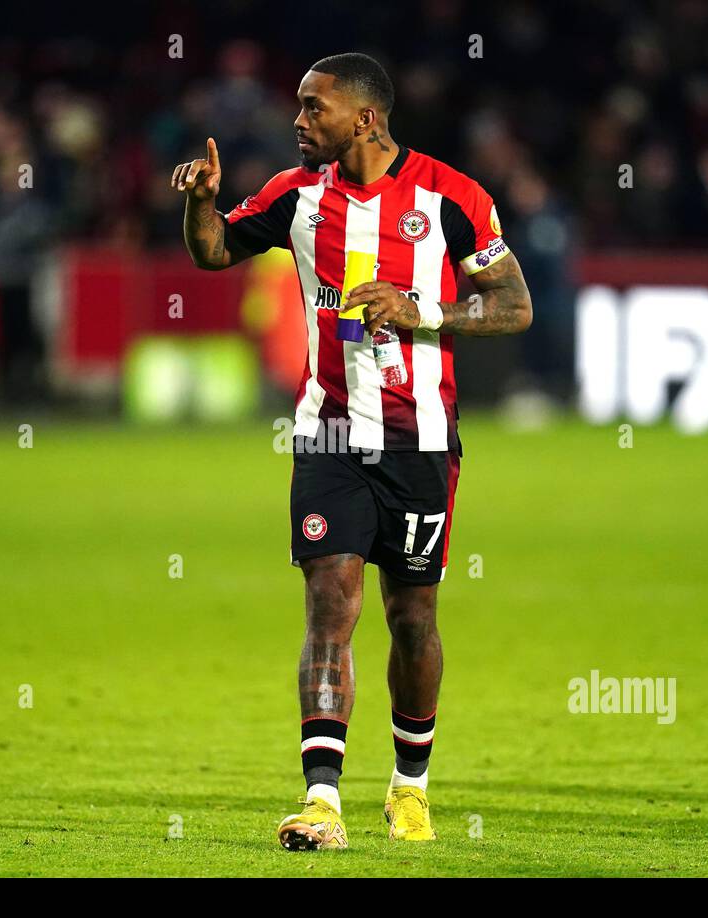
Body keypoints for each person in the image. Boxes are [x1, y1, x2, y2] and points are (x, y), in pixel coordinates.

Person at [172, 53, 532, 850]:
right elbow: (213, 253)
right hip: (328, 436)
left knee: (412, 617)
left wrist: (424, 313)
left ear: (366, 119)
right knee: (330, 606)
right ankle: (322, 803)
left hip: (420, 442)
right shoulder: (294, 196)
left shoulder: (453, 197)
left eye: (313, 108)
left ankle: (409, 789)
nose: (298, 121)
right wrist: (201, 205)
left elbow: (512, 305)